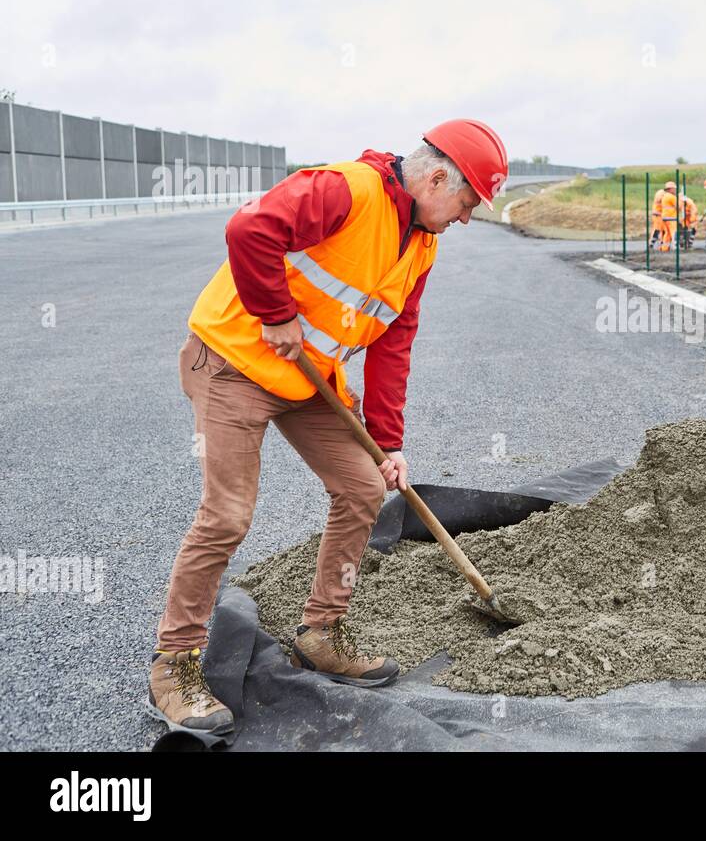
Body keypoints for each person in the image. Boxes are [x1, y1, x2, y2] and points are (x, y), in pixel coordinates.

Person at [148, 120, 508, 737]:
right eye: (468, 201)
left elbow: (395, 341)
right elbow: (249, 227)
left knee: (366, 487)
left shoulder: (421, 244)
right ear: (438, 176)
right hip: (234, 362)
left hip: (307, 379)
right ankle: (174, 663)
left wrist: (388, 440)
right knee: (229, 514)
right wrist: (275, 312)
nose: (468, 216)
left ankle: (320, 632)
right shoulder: (348, 190)